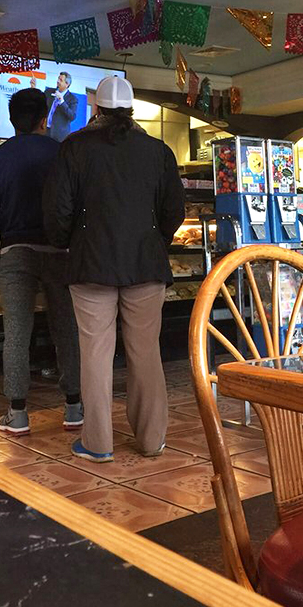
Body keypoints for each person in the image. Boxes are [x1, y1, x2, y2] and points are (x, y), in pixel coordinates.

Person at [44, 76, 185, 463]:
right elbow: (175, 211)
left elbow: (58, 211)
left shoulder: (74, 147)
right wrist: (156, 240)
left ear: (96, 109)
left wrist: (66, 242)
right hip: (146, 264)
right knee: (146, 353)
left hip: (91, 264)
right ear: (131, 109)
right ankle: (152, 439)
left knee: (95, 353)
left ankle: (98, 442)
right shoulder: (158, 151)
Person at [0, 88, 82, 435]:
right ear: (44, 119)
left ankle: (18, 413)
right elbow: (74, 204)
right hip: (57, 251)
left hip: (14, 252)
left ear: (11, 120)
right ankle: (73, 407)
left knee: (16, 334)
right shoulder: (61, 153)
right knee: (66, 330)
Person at [46, 72, 78, 142]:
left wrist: (62, 102)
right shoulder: (48, 92)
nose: (58, 81)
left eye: (61, 80)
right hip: (45, 131)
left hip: (59, 136)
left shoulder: (72, 99)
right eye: (58, 78)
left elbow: (72, 116)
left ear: (67, 84)